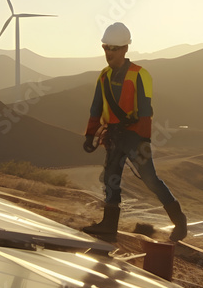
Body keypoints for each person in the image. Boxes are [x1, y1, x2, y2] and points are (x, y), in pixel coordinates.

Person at [81, 22, 188, 242]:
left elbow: (146, 111)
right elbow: (96, 107)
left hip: (134, 137)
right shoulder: (103, 76)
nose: (108, 52)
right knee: (110, 179)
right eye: (105, 47)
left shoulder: (140, 74)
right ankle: (109, 225)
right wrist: (90, 135)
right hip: (113, 136)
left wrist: (142, 140)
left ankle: (179, 222)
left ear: (125, 48)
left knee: (150, 179)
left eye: (113, 48)